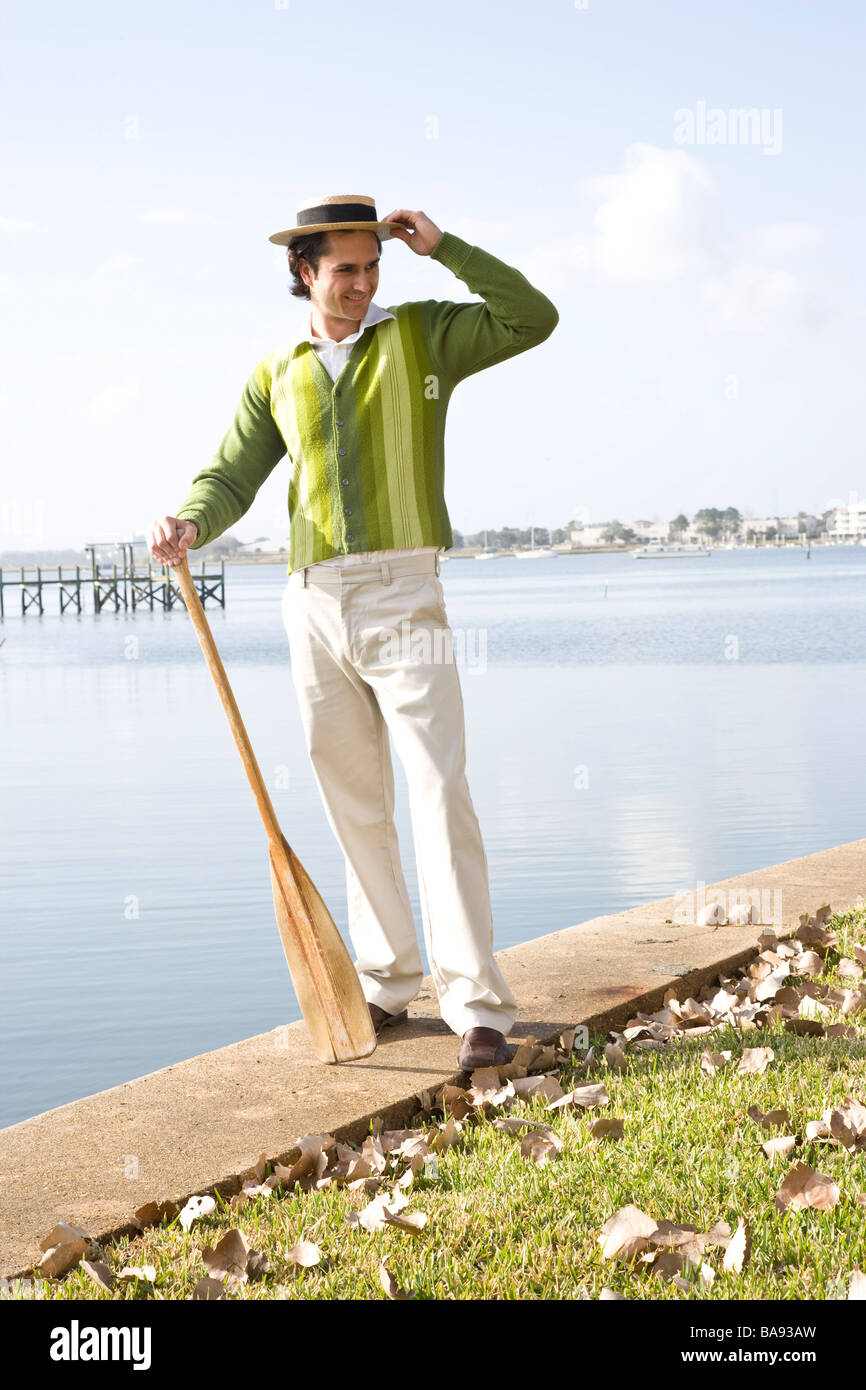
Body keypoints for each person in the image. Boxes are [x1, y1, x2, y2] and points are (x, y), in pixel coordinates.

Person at [147, 193, 559, 1070]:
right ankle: (387, 977)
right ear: (305, 271)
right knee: (352, 801)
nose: (363, 283)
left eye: (373, 266)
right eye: (345, 269)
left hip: (407, 592)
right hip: (311, 598)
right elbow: (231, 474)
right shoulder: (277, 374)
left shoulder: (424, 337)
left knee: (440, 789)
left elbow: (532, 317)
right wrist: (189, 522)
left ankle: (477, 1004)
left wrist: (445, 248)